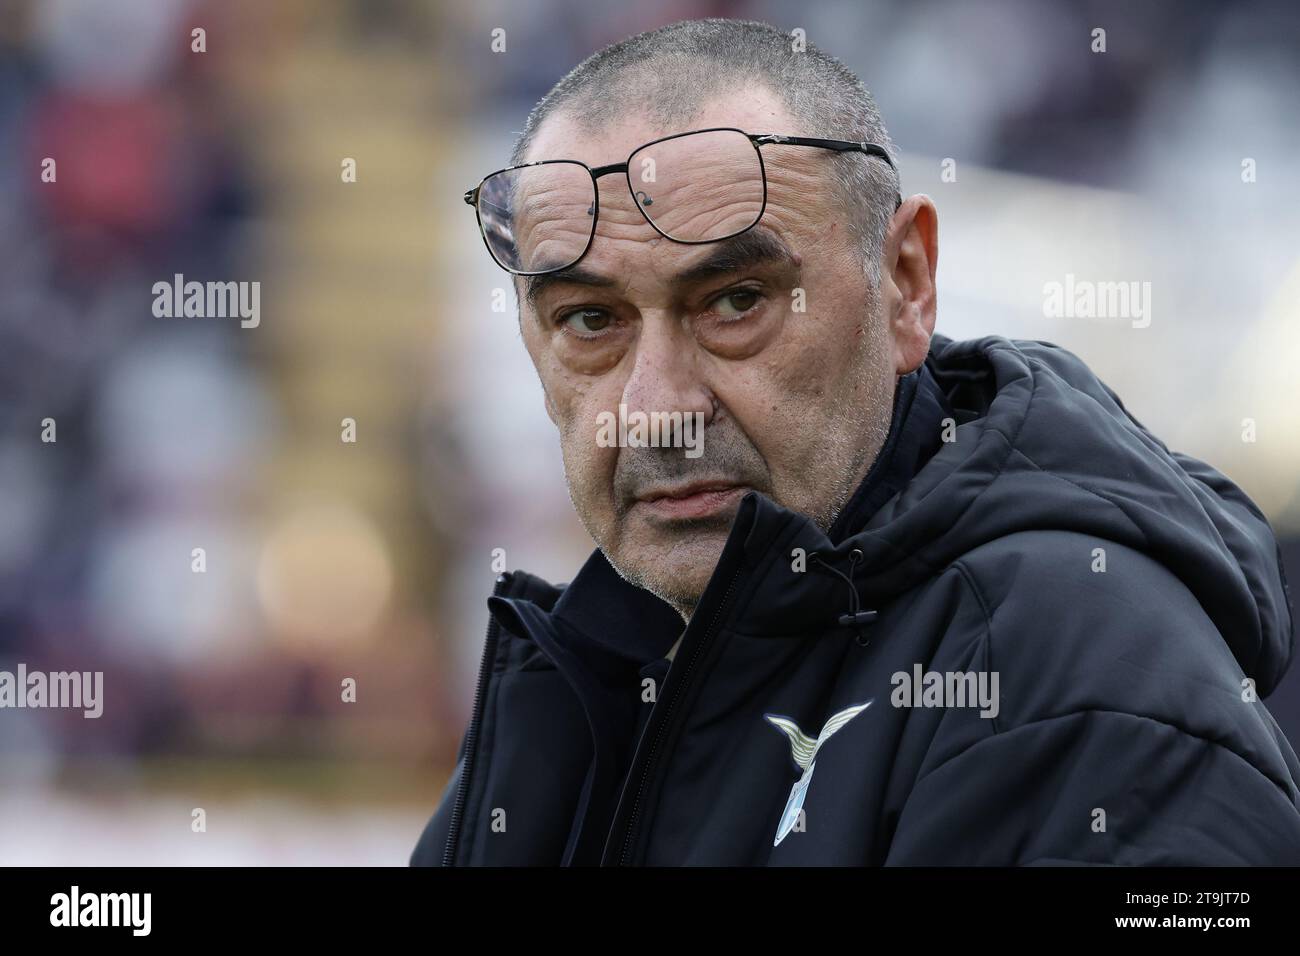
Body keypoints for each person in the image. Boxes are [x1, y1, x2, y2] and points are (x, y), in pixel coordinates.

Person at [412, 18, 1300, 865]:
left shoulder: (1076, 683)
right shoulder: (588, 680)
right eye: (591, 319)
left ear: (906, 284)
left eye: (735, 302)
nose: (654, 410)